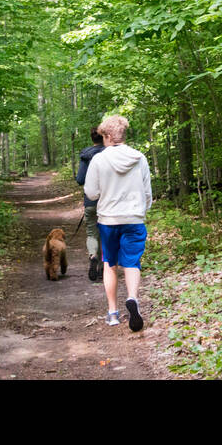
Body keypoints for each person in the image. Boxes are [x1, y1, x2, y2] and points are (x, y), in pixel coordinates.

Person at [83, 114, 152, 331]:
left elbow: (91, 193)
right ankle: (132, 298)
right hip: (134, 219)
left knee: (110, 264)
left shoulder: (99, 160)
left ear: (108, 136)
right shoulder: (139, 157)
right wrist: (141, 211)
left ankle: (113, 313)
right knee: (132, 262)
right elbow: (147, 192)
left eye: (103, 135)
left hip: (109, 220)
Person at [75, 127, 106, 281]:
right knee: (105, 232)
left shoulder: (86, 155)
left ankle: (93, 255)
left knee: (92, 232)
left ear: (92, 139)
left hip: (90, 200)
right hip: (108, 201)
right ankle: (102, 266)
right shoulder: (109, 154)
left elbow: (80, 179)